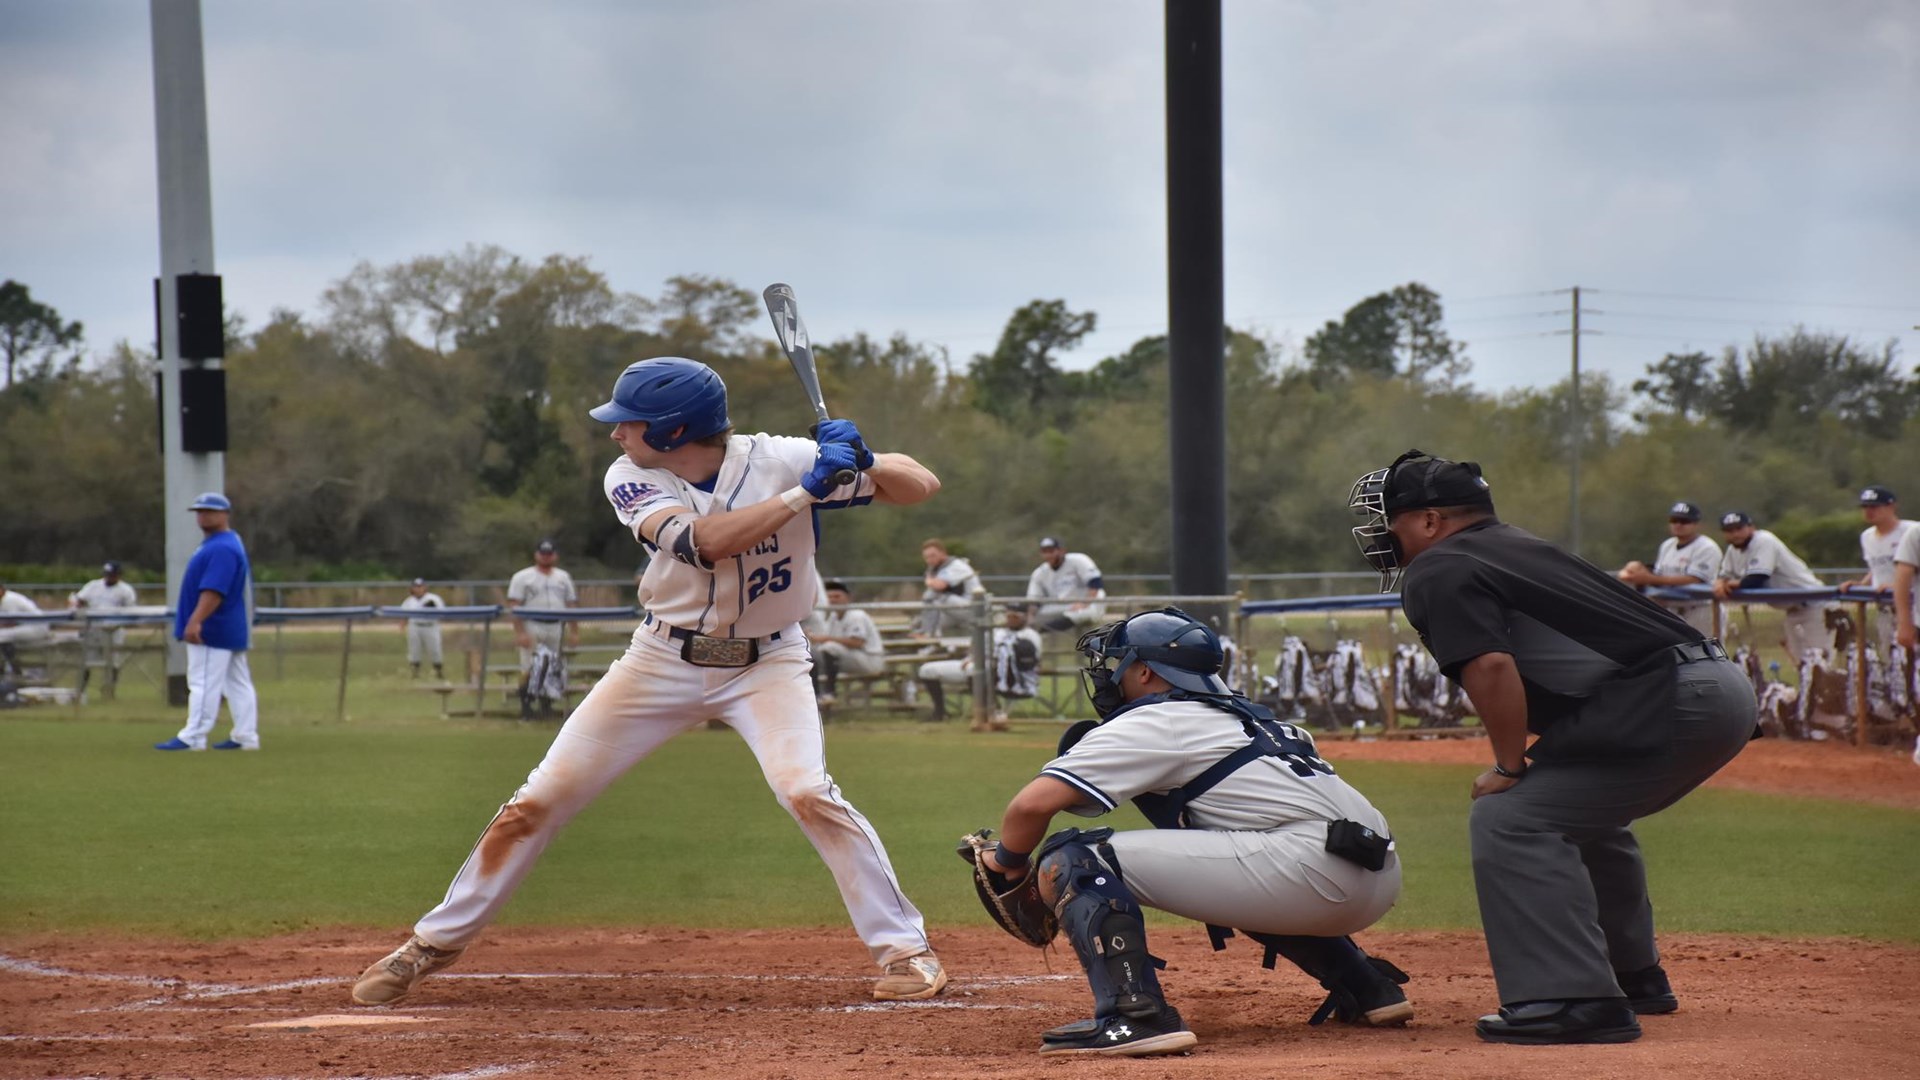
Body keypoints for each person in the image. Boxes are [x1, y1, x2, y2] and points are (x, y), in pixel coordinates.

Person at [353, 356, 950, 1007]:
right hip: (660, 661)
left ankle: (907, 953)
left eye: (628, 423)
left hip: (768, 663)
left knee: (806, 789)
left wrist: (864, 462)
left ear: (673, 430)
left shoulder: (781, 457)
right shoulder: (631, 475)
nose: (615, 434)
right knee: (539, 800)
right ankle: (432, 942)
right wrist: (807, 492)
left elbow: (921, 486)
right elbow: (704, 542)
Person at [1349, 450, 1756, 1045]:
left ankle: (1576, 1000)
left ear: (1432, 521)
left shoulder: (1438, 567)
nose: (1386, 532)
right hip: (1701, 686)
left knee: (1513, 816)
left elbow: (1490, 666)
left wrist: (1509, 766)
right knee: (1580, 817)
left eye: (1394, 519)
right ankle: (1630, 975)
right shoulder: (1508, 544)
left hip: (1670, 698)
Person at [974, 608, 1411, 1057]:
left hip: (1308, 873)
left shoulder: (1161, 719)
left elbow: (1031, 805)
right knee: (1243, 855)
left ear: (1144, 671)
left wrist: (1005, 862)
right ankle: (1368, 987)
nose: (1109, 675)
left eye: (1117, 662)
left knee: (1074, 857)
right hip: (1376, 875)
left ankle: (1135, 1016)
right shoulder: (1263, 719)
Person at [154, 493, 259, 752]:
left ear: (225, 514)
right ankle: (246, 736)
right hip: (227, 626)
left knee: (202, 682)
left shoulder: (221, 547)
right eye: (199, 511)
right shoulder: (224, 543)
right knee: (237, 683)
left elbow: (214, 590)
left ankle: (193, 736)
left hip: (213, 627)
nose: (203, 515)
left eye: (210, 511)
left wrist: (195, 621)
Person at [1712, 511, 1832, 662]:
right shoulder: (1732, 550)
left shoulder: (1764, 541)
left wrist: (1728, 584)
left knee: (1821, 666)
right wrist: (1720, 583)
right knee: (1803, 666)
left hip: (1815, 605)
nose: (1735, 534)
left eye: (1739, 528)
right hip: (1793, 611)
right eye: (1730, 530)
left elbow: (1756, 579)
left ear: (1751, 528)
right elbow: (1724, 576)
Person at [918, 605, 1043, 730]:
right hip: (974, 664)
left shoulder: (1030, 635)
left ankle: (990, 715)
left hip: (1004, 673)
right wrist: (971, 658)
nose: (1011, 619)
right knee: (927, 670)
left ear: (1024, 617)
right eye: (1009, 616)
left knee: (976, 671)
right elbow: (976, 649)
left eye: (1015, 616)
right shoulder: (997, 631)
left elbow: (1027, 663)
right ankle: (940, 713)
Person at [1617, 502, 1720, 637]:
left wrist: (1647, 578)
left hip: (1700, 609)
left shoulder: (1707, 547)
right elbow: (1659, 576)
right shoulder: (1667, 545)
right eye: (1674, 520)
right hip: (1670, 609)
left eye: (1684, 521)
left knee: (1707, 652)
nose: (1678, 524)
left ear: (1696, 524)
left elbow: (1694, 579)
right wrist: (1637, 570)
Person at [1838, 486, 1917, 660]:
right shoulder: (1867, 536)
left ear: (1891, 507)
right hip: (1885, 606)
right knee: (1891, 656)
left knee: (1913, 657)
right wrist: (1862, 584)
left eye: (1875, 507)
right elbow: (1877, 568)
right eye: (1865, 507)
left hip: (1912, 603)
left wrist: (1897, 585)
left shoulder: (1911, 531)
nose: (1869, 511)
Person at [507, 540, 578, 717]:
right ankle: (526, 706)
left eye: (549, 554)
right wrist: (520, 632)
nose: (546, 557)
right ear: (536, 555)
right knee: (529, 665)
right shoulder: (522, 577)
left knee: (554, 666)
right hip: (533, 623)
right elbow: (514, 605)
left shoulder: (562, 577)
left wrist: (574, 631)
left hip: (557, 625)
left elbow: (571, 604)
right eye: (543, 553)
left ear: (555, 555)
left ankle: (547, 706)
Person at [808, 579, 885, 705]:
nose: (833, 600)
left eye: (837, 596)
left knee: (830, 648)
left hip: (869, 660)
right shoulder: (833, 616)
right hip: (848, 658)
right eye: (830, 597)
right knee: (812, 654)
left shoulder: (856, 615)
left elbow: (857, 643)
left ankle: (830, 693)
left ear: (848, 597)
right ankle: (815, 698)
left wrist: (825, 639)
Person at [70, 561, 140, 697]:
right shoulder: (93, 586)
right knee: (87, 660)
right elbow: (79, 600)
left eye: (112, 575)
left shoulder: (125, 590)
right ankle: (81, 692)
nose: (109, 577)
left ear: (119, 575)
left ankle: (109, 691)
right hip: (93, 627)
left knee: (113, 661)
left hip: (114, 628)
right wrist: (77, 604)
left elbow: (131, 610)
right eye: (107, 574)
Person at [1025, 537, 1106, 633]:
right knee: (1031, 616)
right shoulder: (1039, 573)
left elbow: (1096, 583)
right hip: (1062, 606)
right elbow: (1034, 601)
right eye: (1044, 551)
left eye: (1051, 551)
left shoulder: (1078, 560)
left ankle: (1047, 629)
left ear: (1061, 551)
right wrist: (1030, 619)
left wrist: (1084, 603)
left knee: (1085, 613)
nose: (1048, 555)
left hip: (1088, 602)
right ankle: (1042, 630)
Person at [917, 538, 979, 638]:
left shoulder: (955, 565)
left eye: (933, 555)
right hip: (955, 609)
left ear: (943, 553)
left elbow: (939, 586)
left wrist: (928, 580)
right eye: (926, 557)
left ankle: (928, 634)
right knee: (919, 623)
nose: (929, 560)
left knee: (935, 596)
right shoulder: (937, 568)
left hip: (972, 608)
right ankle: (935, 645)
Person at [399, 578, 447, 681]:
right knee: (414, 650)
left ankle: (438, 671)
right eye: (416, 587)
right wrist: (402, 625)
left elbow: (442, 613)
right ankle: (415, 672)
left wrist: (433, 610)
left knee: (435, 649)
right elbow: (404, 614)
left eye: (420, 586)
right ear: (412, 588)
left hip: (431, 626)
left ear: (425, 587)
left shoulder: (434, 599)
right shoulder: (409, 601)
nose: (418, 589)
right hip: (415, 626)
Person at [0, 581, 51, 677]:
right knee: (3, 637)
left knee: (2, 636)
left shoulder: (9, 599)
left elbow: (12, 622)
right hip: (27, 627)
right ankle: (10, 668)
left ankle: (15, 670)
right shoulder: (3, 600)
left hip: (37, 627)